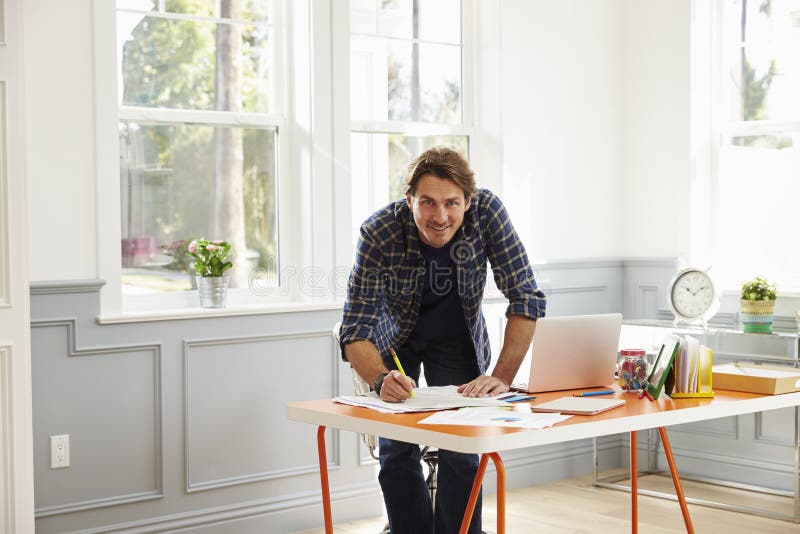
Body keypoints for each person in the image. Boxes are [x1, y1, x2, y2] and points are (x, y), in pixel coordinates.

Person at [339, 146, 546, 534]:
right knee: (397, 450)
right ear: (409, 201)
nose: (440, 216)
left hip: (456, 337)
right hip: (394, 341)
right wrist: (382, 379)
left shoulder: (488, 213)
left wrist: (501, 375)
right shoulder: (379, 231)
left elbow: (526, 296)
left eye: (452, 203)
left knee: (462, 449)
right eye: (427, 203)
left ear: (469, 201)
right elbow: (355, 329)